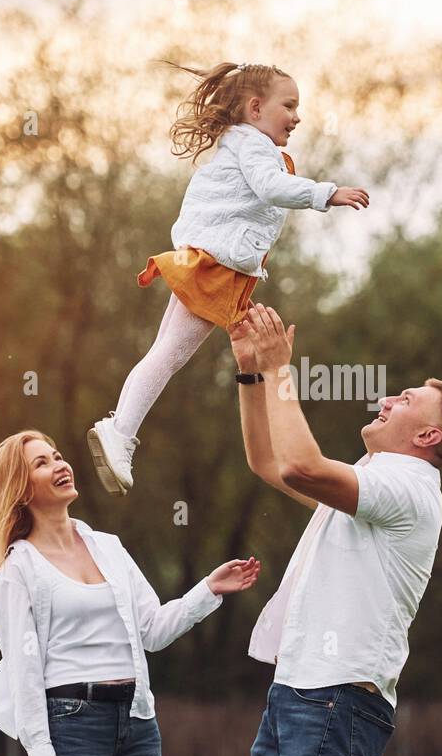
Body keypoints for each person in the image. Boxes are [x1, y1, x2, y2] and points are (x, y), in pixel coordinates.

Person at [227, 303, 442, 756]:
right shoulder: (376, 480)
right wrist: (251, 371)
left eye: (406, 400)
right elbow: (269, 462)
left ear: (428, 437)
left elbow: (300, 466)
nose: (387, 400)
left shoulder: (406, 488)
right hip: (297, 692)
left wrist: (279, 369)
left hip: (334, 698)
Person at [0, 429, 260, 756]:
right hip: (71, 726)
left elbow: (152, 630)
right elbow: (24, 671)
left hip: (137, 723)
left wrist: (208, 589)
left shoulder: (109, 546)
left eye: (56, 455)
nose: (59, 465)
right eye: (42, 463)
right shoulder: (18, 571)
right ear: (21, 490)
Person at [88, 60, 371, 495]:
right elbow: (270, 187)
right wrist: (326, 193)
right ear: (256, 108)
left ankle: (120, 429)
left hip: (210, 258)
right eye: (290, 106)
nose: (297, 117)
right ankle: (120, 432)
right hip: (216, 264)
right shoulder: (256, 147)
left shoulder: (239, 142)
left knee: (164, 350)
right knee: (170, 355)